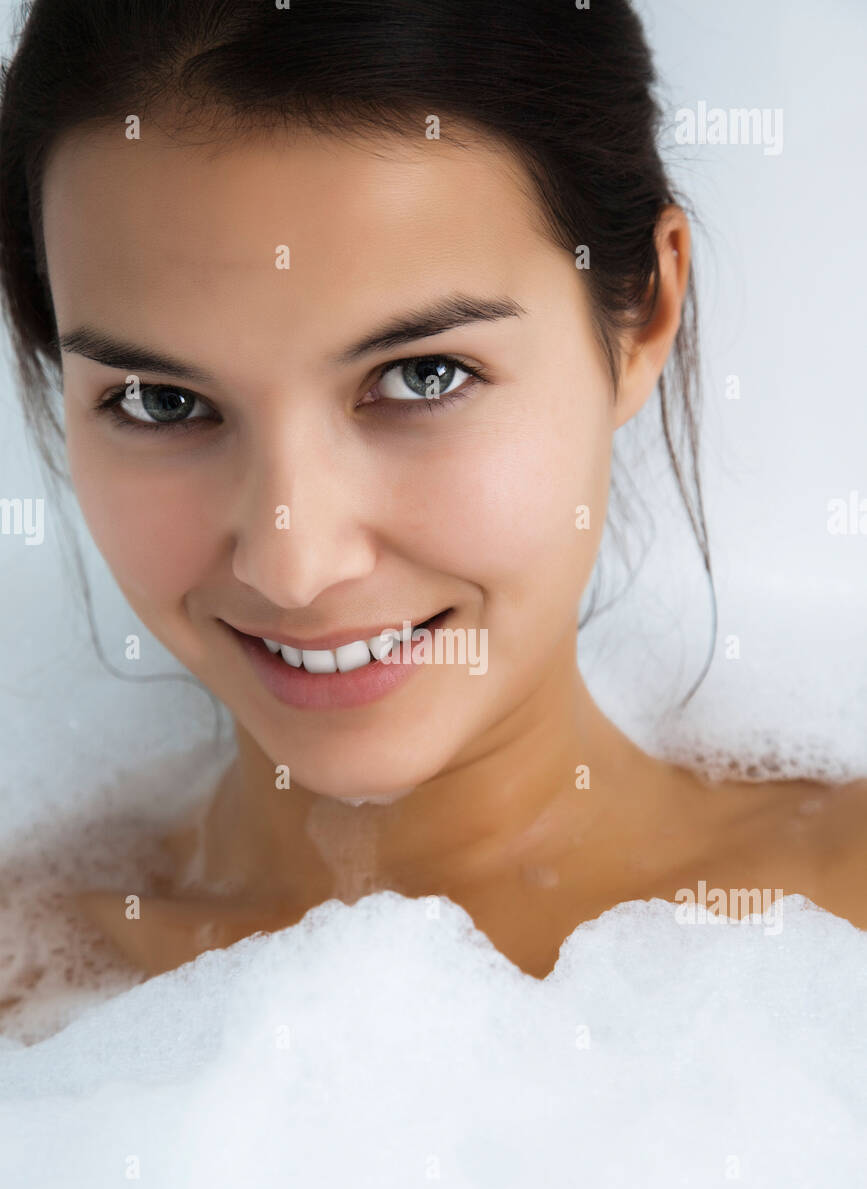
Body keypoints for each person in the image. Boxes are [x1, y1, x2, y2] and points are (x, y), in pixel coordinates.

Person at [2, 0, 864, 984]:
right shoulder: (30, 1001)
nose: (296, 564)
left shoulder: (841, 936)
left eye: (422, 377)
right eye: (163, 402)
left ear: (643, 314)